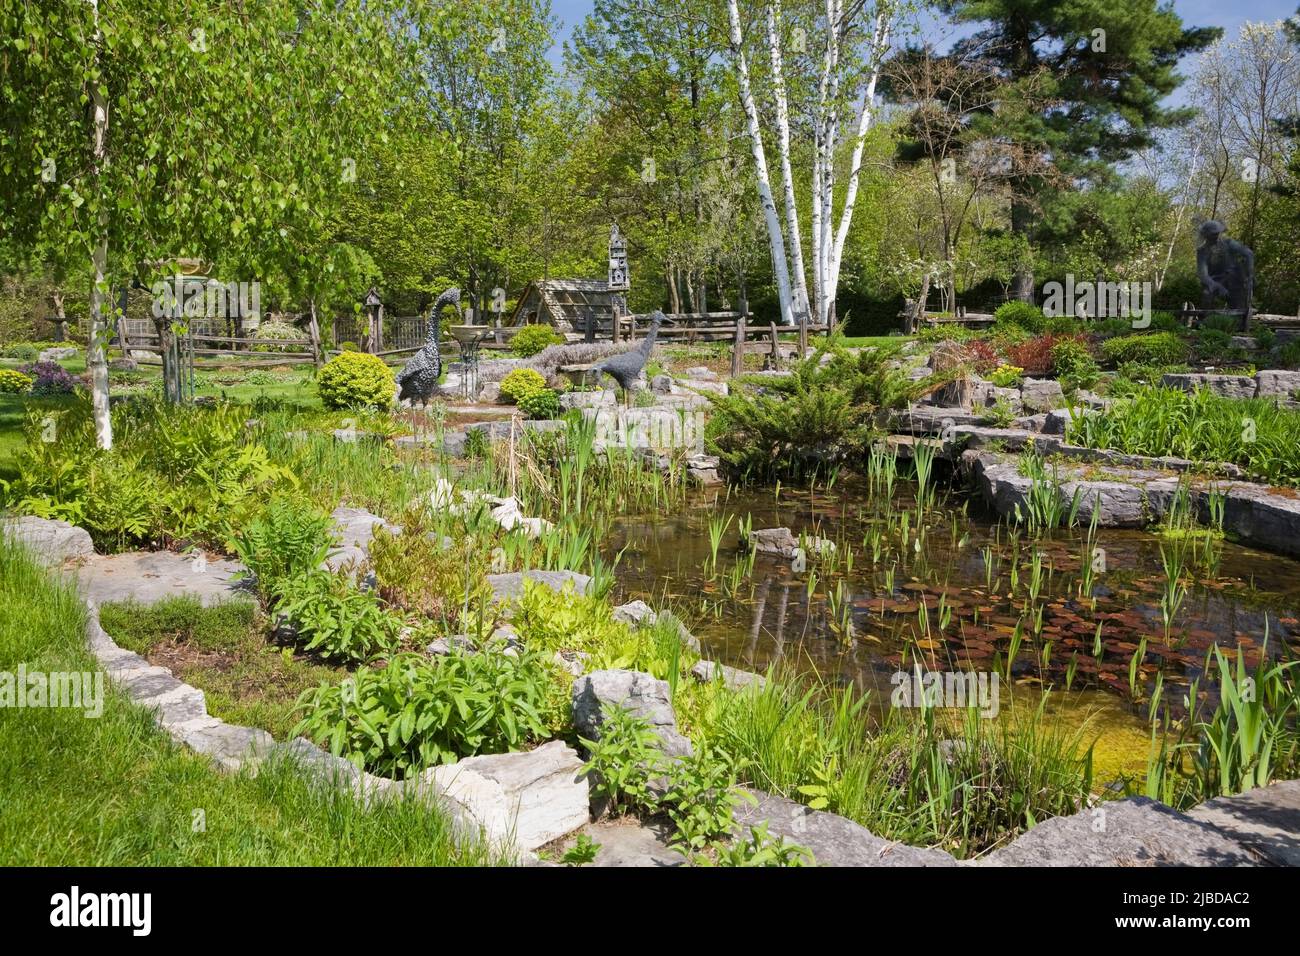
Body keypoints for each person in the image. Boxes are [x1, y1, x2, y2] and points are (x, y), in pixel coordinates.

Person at [1197, 220, 1254, 330]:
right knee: (1207, 294)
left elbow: (1248, 254)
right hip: (1215, 281)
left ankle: (1240, 325)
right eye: (1213, 234)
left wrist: (1250, 275)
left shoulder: (1229, 243)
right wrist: (1218, 286)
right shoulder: (1202, 251)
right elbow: (1203, 275)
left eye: (1217, 234)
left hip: (1234, 279)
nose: (1216, 237)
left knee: (1238, 299)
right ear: (1206, 235)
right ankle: (1204, 323)